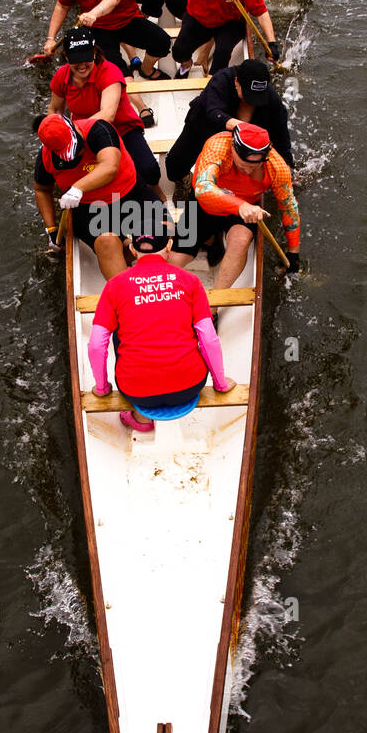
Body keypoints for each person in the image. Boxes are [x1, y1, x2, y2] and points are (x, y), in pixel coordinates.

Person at [87, 205, 235, 432]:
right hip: (190, 385)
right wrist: (221, 384)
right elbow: (209, 339)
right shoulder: (190, 281)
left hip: (136, 390)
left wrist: (102, 388)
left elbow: (97, 344)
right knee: (188, 323)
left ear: (134, 251)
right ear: (168, 245)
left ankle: (141, 420)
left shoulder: (115, 286)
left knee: (118, 329)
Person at [171, 124, 301, 300]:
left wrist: (293, 252)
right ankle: (210, 241)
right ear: (233, 147)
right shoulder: (217, 146)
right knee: (174, 262)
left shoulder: (277, 167)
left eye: (253, 168)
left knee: (241, 241)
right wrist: (241, 206)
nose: (247, 170)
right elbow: (203, 189)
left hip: (241, 213)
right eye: (243, 165)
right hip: (206, 206)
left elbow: (288, 207)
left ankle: (214, 306)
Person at [34, 112, 159, 280]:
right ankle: (125, 298)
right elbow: (42, 190)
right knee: (107, 243)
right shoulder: (45, 158)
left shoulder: (99, 130)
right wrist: (51, 229)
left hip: (130, 194)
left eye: (76, 150)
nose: (77, 156)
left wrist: (77, 187)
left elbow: (110, 167)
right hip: (90, 209)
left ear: (74, 127)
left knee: (159, 237)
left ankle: (129, 247)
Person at [48, 30, 163, 194]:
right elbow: (54, 109)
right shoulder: (61, 76)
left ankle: (155, 191)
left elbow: (107, 115)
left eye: (86, 59)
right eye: (76, 60)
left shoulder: (110, 71)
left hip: (122, 130)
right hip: (85, 137)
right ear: (66, 57)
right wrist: (55, 134)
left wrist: (73, 133)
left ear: (95, 52)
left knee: (150, 170)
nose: (82, 65)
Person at [165, 58, 294, 185]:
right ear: (237, 82)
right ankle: (182, 179)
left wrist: (286, 165)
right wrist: (245, 128)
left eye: (258, 98)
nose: (252, 102)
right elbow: (214, 112)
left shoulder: (272, 98)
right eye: (248, 95)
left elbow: (281, 133)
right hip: (205, 125)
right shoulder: (222, 79)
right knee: (174, 164)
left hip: (239, 143)